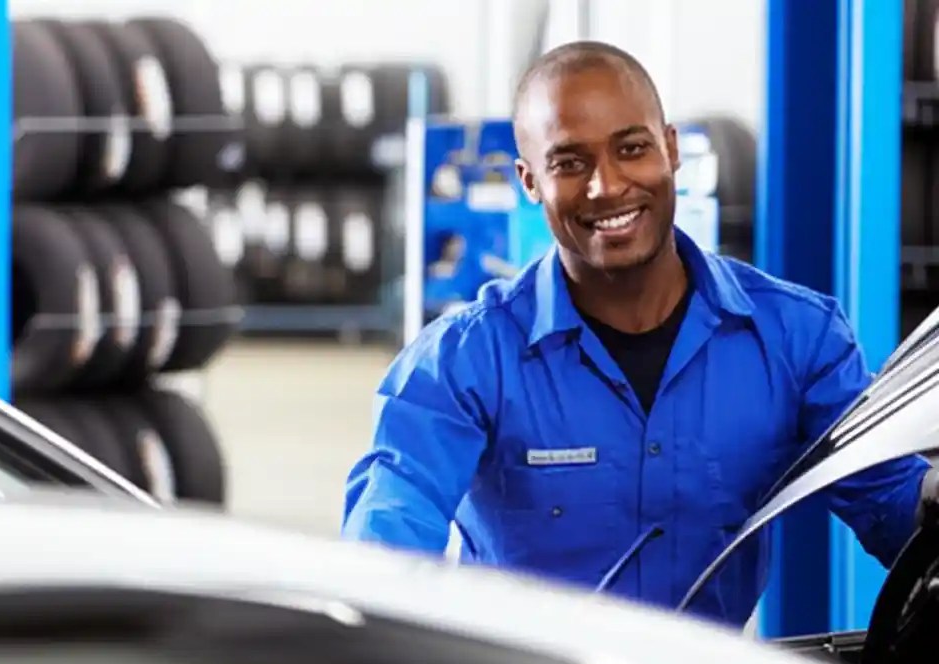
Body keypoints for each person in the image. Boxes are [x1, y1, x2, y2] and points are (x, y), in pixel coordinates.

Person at [341, 40, 936, 628]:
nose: (607, 185)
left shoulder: (797, 339)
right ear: (529, 181)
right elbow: (388, 543)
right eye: (570, 163)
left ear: (670, 149)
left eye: (631, 149)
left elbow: (894, 503)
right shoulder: (462, 363)